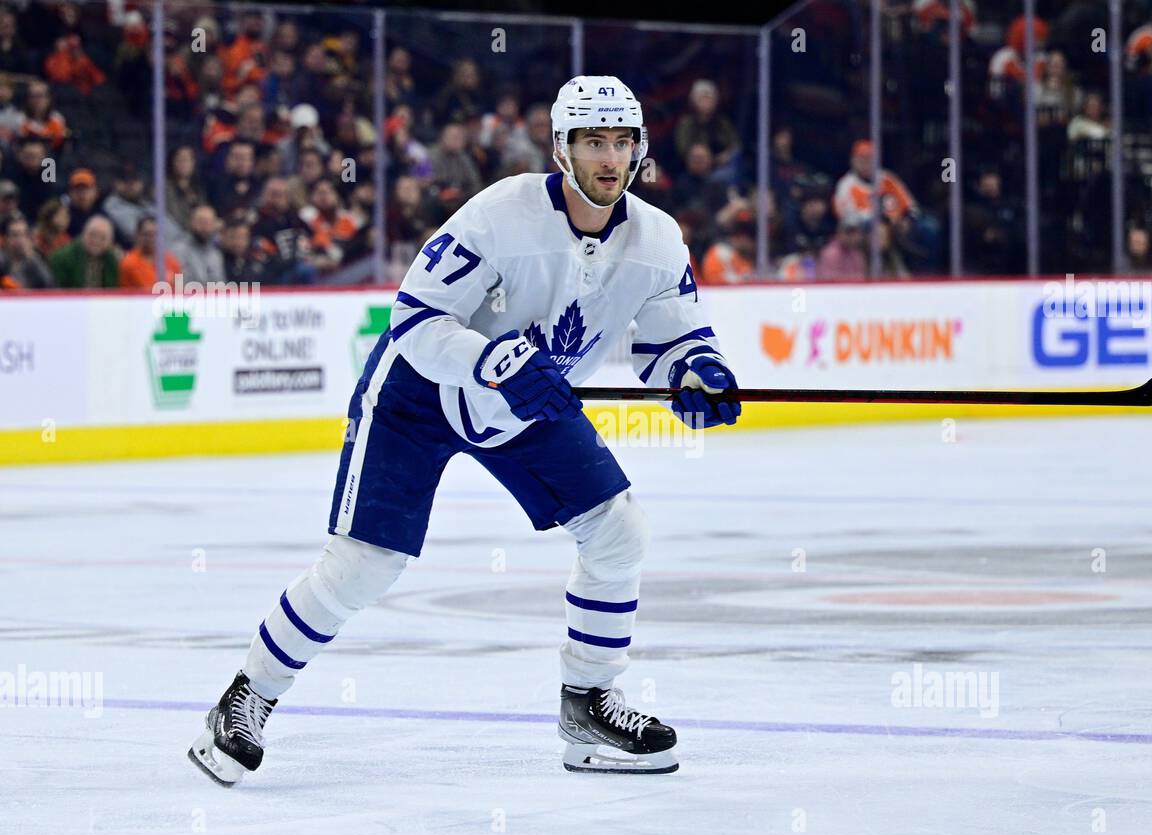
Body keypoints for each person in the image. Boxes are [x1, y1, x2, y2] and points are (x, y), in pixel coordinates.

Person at [188, 76, 741, 786]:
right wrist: (492, 358)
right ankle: (246, 698)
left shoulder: (658, 239)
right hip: (422, 391)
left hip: (525, 400)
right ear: (562, 149)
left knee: (618, 531)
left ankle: (588, 703)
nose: (611, 157)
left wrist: (697, 373)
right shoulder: (499, 215)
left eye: (623, 141)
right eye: (593, 141)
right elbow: (414, 320)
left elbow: (671, 338)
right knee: (366, 564)